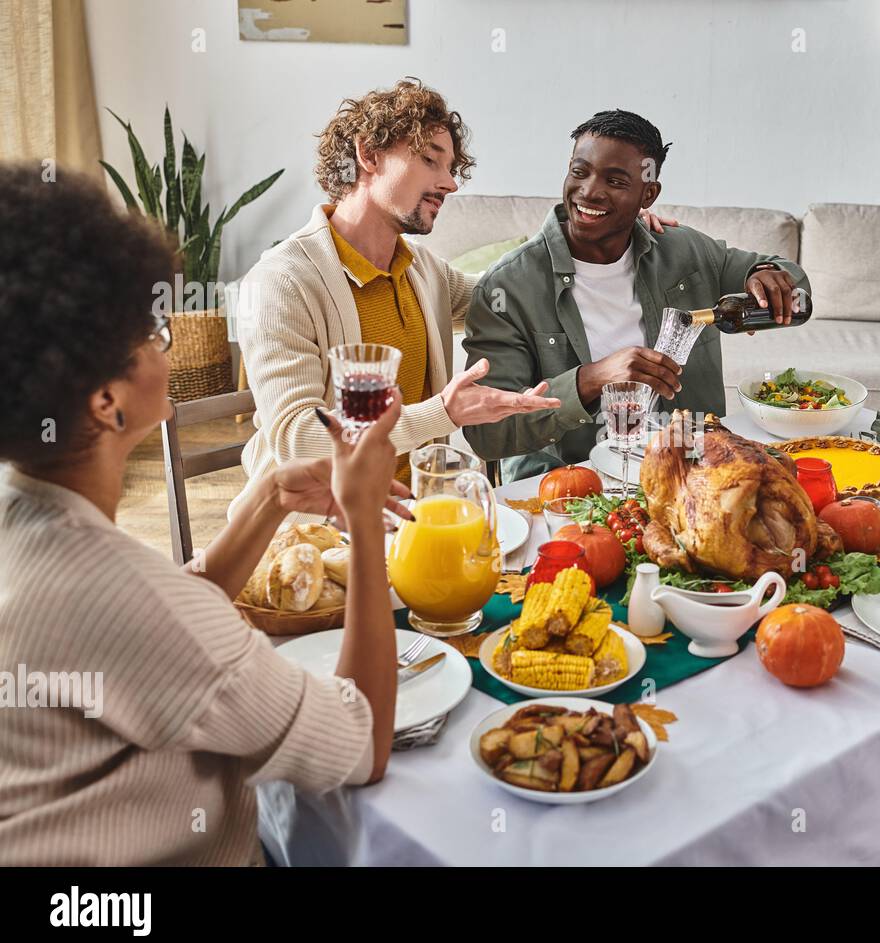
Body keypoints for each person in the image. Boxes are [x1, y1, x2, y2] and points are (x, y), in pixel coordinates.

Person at [0, 163, 406, 865]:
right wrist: (365, 525)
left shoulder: (21, 511)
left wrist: (269, 499)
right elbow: (362, 747)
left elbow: (158, 630)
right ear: (108, 400)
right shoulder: (129, 599)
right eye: (150, 336)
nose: (168, 345)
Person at [234, 79, 561, 506]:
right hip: (320, 527)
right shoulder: (283, 281)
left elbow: (505, 293)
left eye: (451, 169)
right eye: (430, 160)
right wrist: (441, 414)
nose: (451, 183)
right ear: (368, 154)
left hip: (419, 514)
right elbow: (299, 438)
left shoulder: (423, 270)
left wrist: (607, 231)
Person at [461, 109, 811, 482]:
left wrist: (767, 275)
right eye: (580, 171)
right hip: (568, 482)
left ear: (648, 193)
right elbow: (486, 433)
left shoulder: (686, 253)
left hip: (690, 473)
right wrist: (590, 379)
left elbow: (799, 292)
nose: (590, 191)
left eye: (614, 180)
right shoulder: (509, 286)